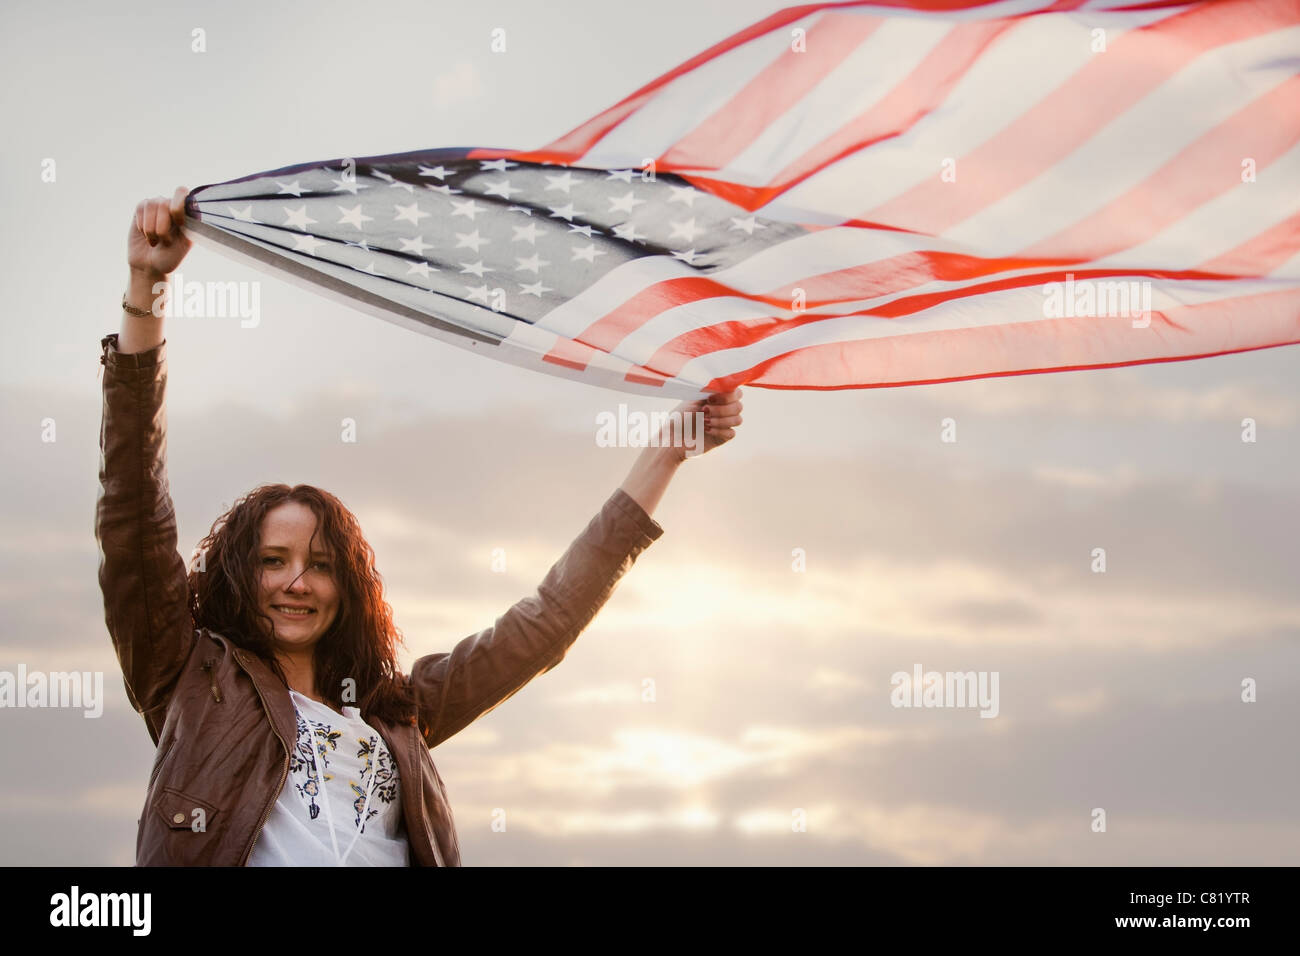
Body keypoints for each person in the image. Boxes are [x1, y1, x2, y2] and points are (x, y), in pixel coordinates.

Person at [96, 187, 744, 866]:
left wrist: (666, 453)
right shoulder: (194, 679)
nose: (297, 582)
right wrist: (147, 289)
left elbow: (545, 622)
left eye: (320, 564)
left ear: (346, 588)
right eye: (272, 560)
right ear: (238, 573)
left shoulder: (398, 714)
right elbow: (133, 511)